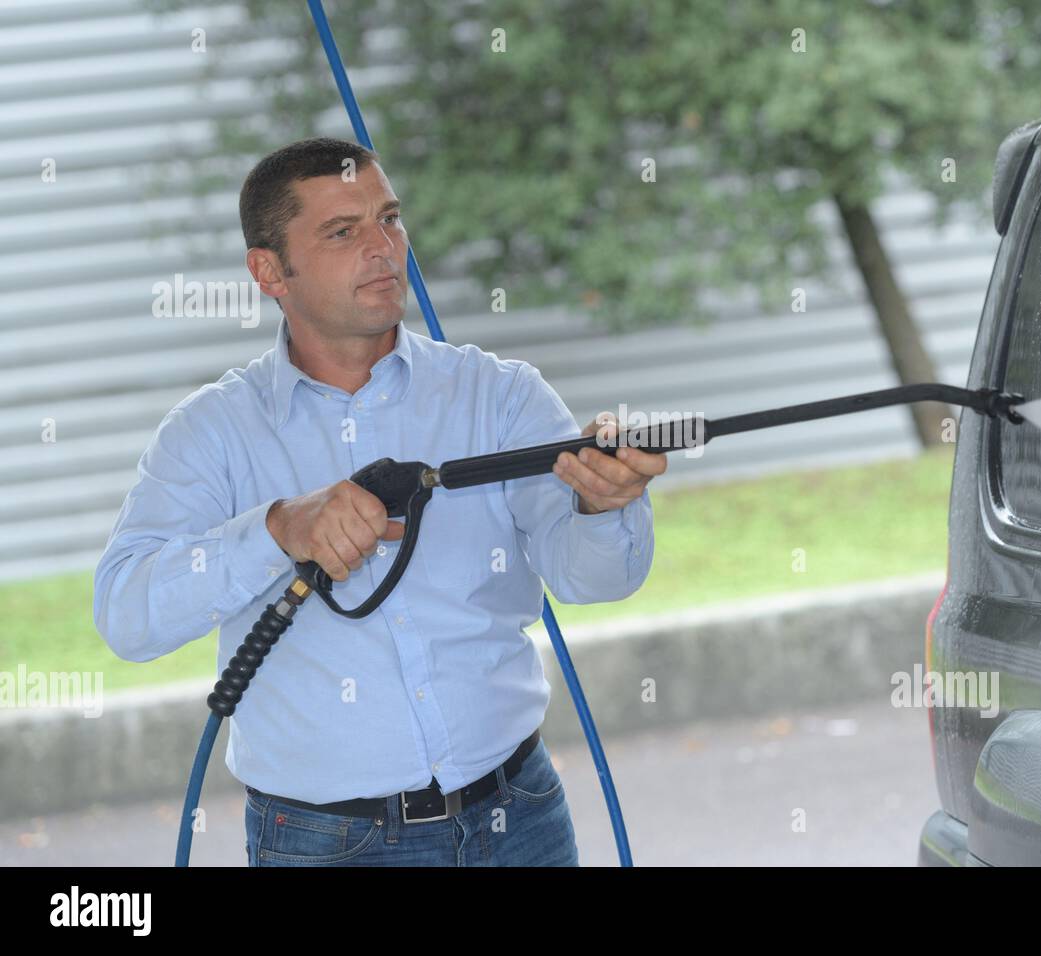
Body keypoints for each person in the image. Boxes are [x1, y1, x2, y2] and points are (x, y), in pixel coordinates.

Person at [92, 136, 665, 866]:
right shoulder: (211, 434)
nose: (383, 248)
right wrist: (276, 531)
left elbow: (597, 580)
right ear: (269, 271)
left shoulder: (499, 394)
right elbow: (126, 615)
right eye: (343, 231)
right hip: (326, 843)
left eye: (389, 219)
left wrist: (602, 506)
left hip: (516, 816)